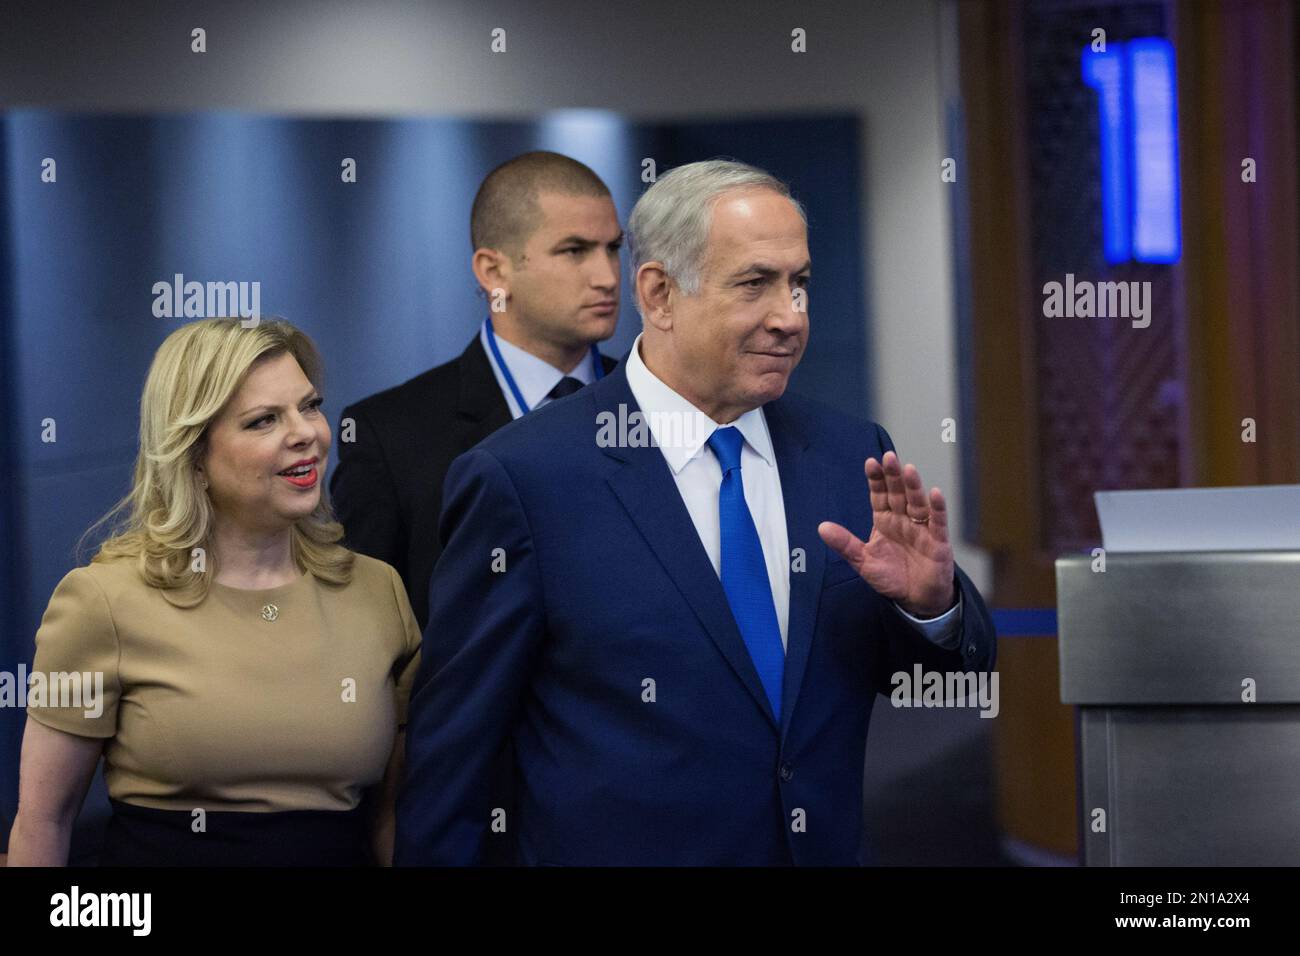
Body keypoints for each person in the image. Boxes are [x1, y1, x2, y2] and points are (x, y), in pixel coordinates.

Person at [396, 160, 997, 866]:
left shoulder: (849, 455)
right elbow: (454, 757)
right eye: (754, 283)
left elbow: (949, 680)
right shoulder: (525, 478)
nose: (790, 317)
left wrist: (930, 608)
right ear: (659, 294)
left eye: (799, 283)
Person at [7, 318, 420, 867]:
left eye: (310, 406)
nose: (306, 433)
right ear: (194, 454)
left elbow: (391, 822)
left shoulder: (377, 590)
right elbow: (44, 821)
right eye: (264, 420)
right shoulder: (101, 601)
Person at [330, 150, 623, 632]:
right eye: (574, 251)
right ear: (493, 272)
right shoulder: (390, 435)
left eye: (613, 248)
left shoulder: (660, 407)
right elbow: (366, 631)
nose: (607, 277)